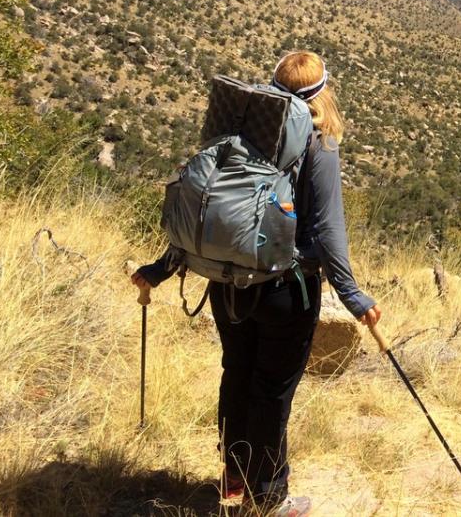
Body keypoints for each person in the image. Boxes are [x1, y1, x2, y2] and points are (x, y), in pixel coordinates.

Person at [131, 51, 381, 517]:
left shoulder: (237, 131)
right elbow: (328, 230)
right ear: (323, 92)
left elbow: (203, 212)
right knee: (272, 391)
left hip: (226, 283)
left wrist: (163, 268)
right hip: (288, 288)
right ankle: (268, 498)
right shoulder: (318, 141)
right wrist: (352, 295)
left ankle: (232, 479)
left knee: (237, 374)